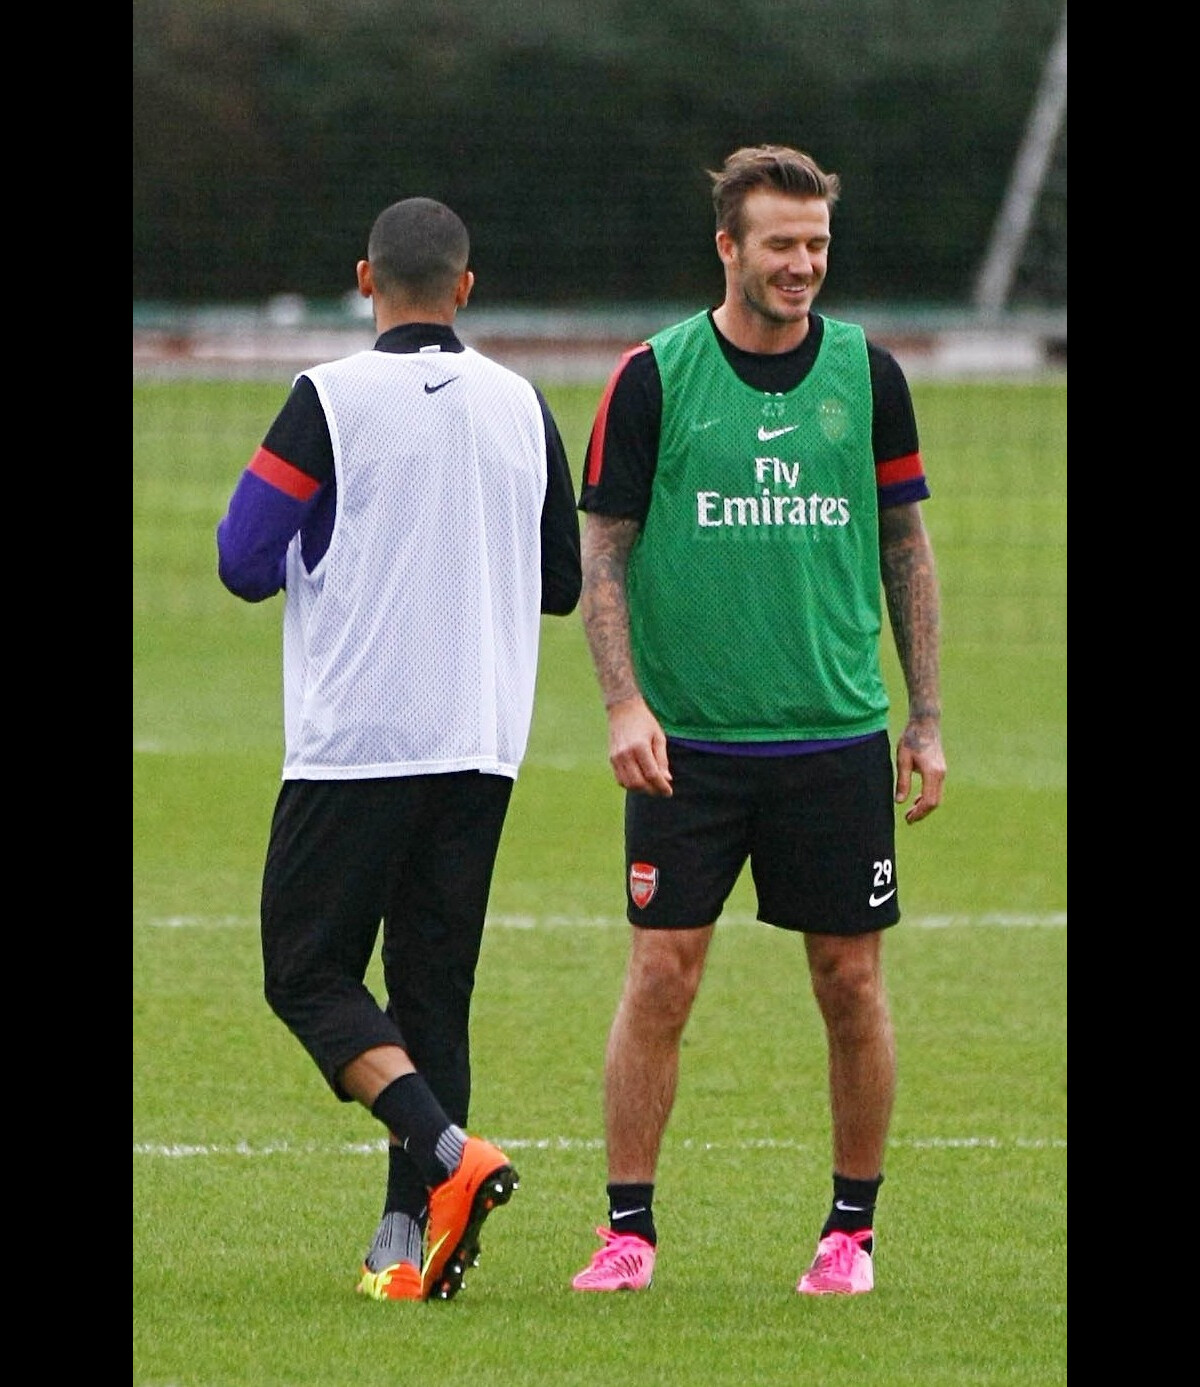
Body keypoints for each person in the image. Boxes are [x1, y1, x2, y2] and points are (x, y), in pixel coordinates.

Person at [570, 145, 945, 1297]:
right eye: (780, 244)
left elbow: (905, 546)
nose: (803, 265)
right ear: (727, 247)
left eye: (818, 244)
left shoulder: (868, 375)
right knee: (662, 977)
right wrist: (624, 701)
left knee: (850, 982)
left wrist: (926, 717)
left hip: (834, 735)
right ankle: (628, 1230)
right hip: (690, 746)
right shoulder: (652, 377)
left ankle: (850, 1234)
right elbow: (605, 553)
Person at [216, 196, 581, 1303]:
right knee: (433, 991)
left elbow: (243, 555)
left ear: (364, 280)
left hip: (359, 739)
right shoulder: (524, 405)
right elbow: (558, 584)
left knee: (309, 972)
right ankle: (404, 1243)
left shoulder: (327, 397)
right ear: (466, 288)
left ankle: (445, 1152)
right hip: (480, 741)